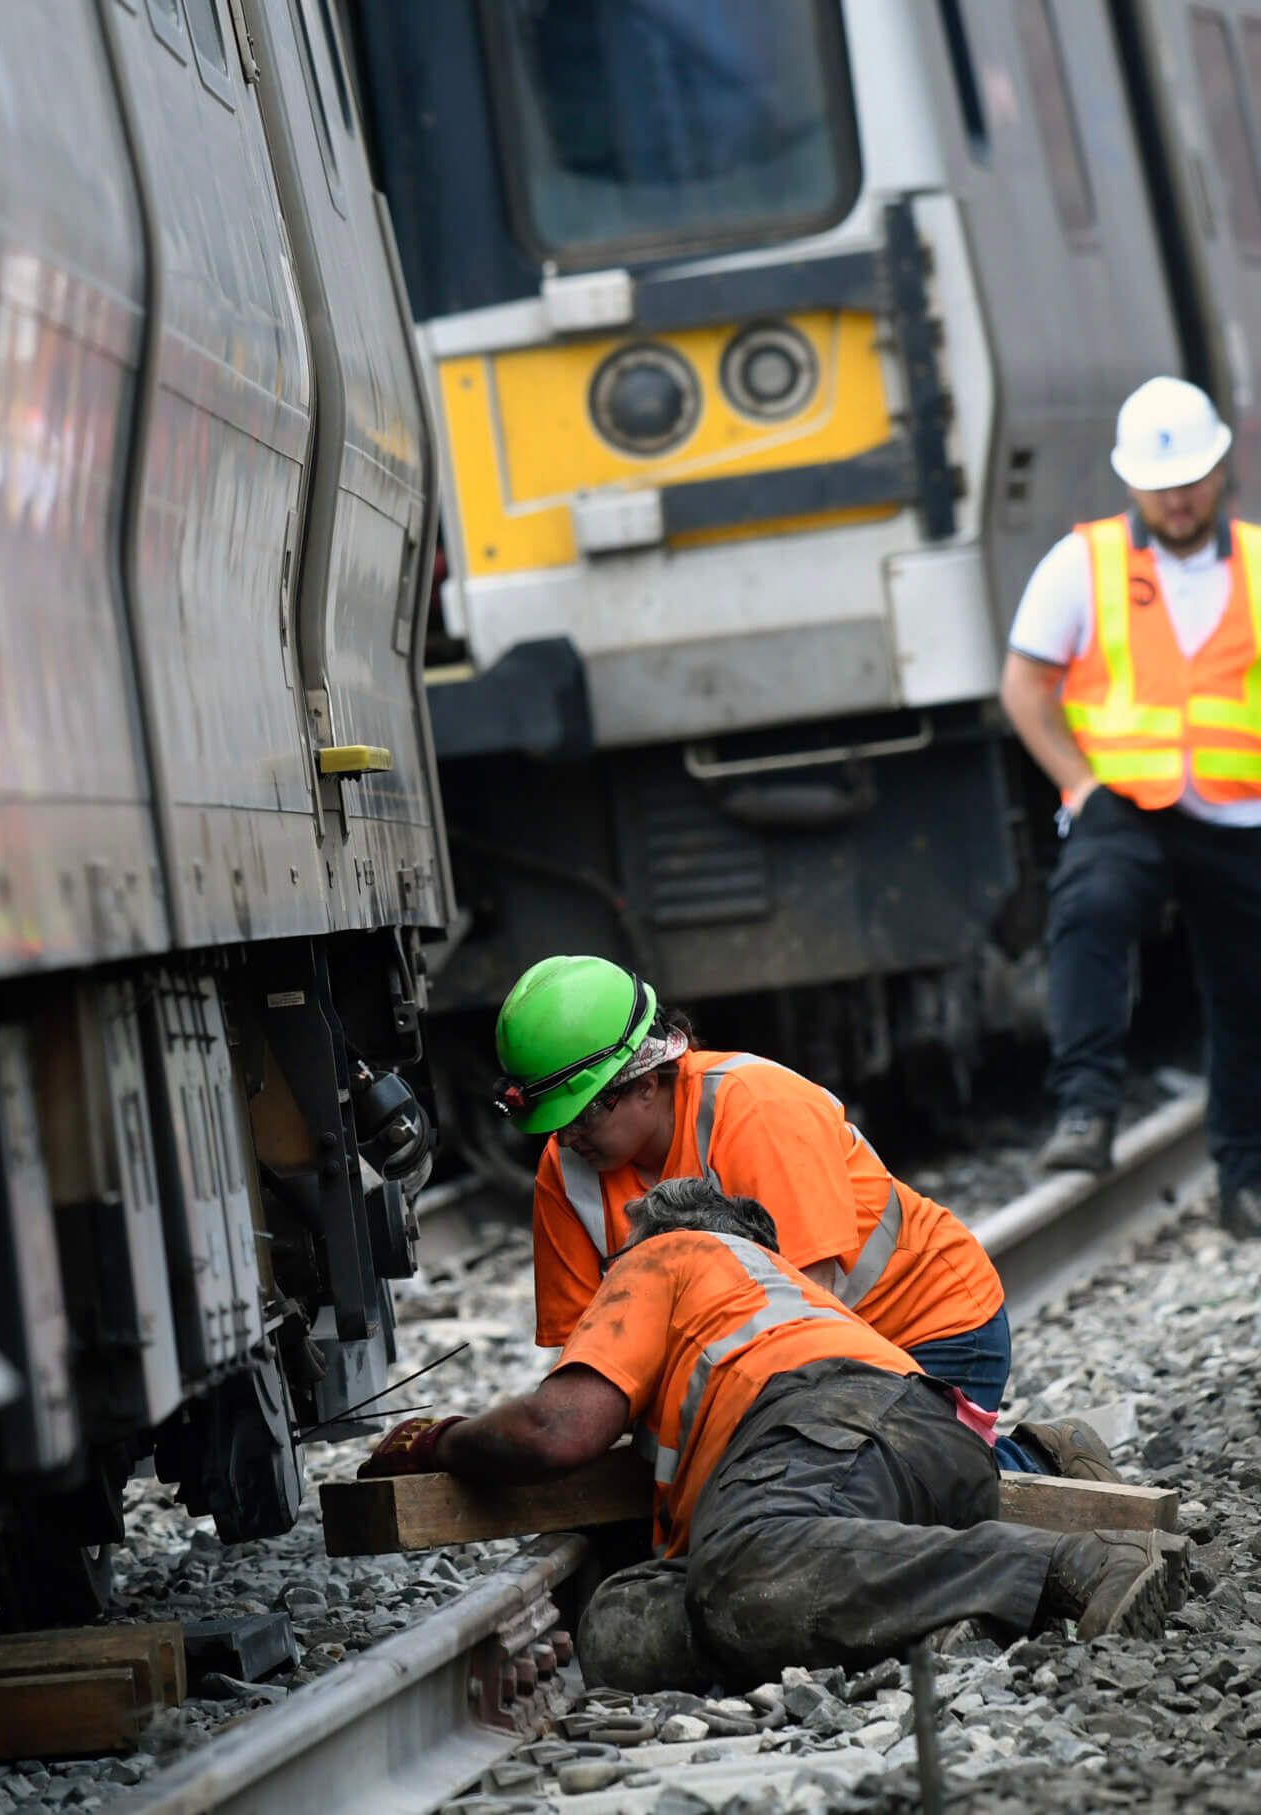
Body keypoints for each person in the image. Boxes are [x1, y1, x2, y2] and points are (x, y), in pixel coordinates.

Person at [362, 1179, 1185, 1690]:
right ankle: (947, 1605)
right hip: (925, 1445)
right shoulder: (775, 1290)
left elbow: (560, 1429)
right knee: (621, 1625)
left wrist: (440, 1440)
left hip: (824, 1429)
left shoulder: (666, 1254)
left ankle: (1065, 1567)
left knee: (741, 1569)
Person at [490, 953, 1106, 1478]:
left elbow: (807, 1331)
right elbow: (592, 1355)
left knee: (870, 1488)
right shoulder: (564, 1172)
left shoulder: (754, 1109)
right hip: (801, 1350)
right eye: (550, 1122)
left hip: (928, 1327)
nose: (565, 1138)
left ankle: (1037, 1465)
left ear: (647, 1081)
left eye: (581, 1115)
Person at [998, 375, 1261, 1238]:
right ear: (1130, 483)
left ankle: (1244, 1179)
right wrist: (1078, 783)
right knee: (1091, 904)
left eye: (1192, 478)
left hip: (1239, 817)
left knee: (1246, 990)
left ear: (1221, 468)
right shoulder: (1084, 562)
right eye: (1161, 482)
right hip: (1128, 803)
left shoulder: (1258, 563)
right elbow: (1027, 686)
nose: (1178, 497)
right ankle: (1084, 1111)